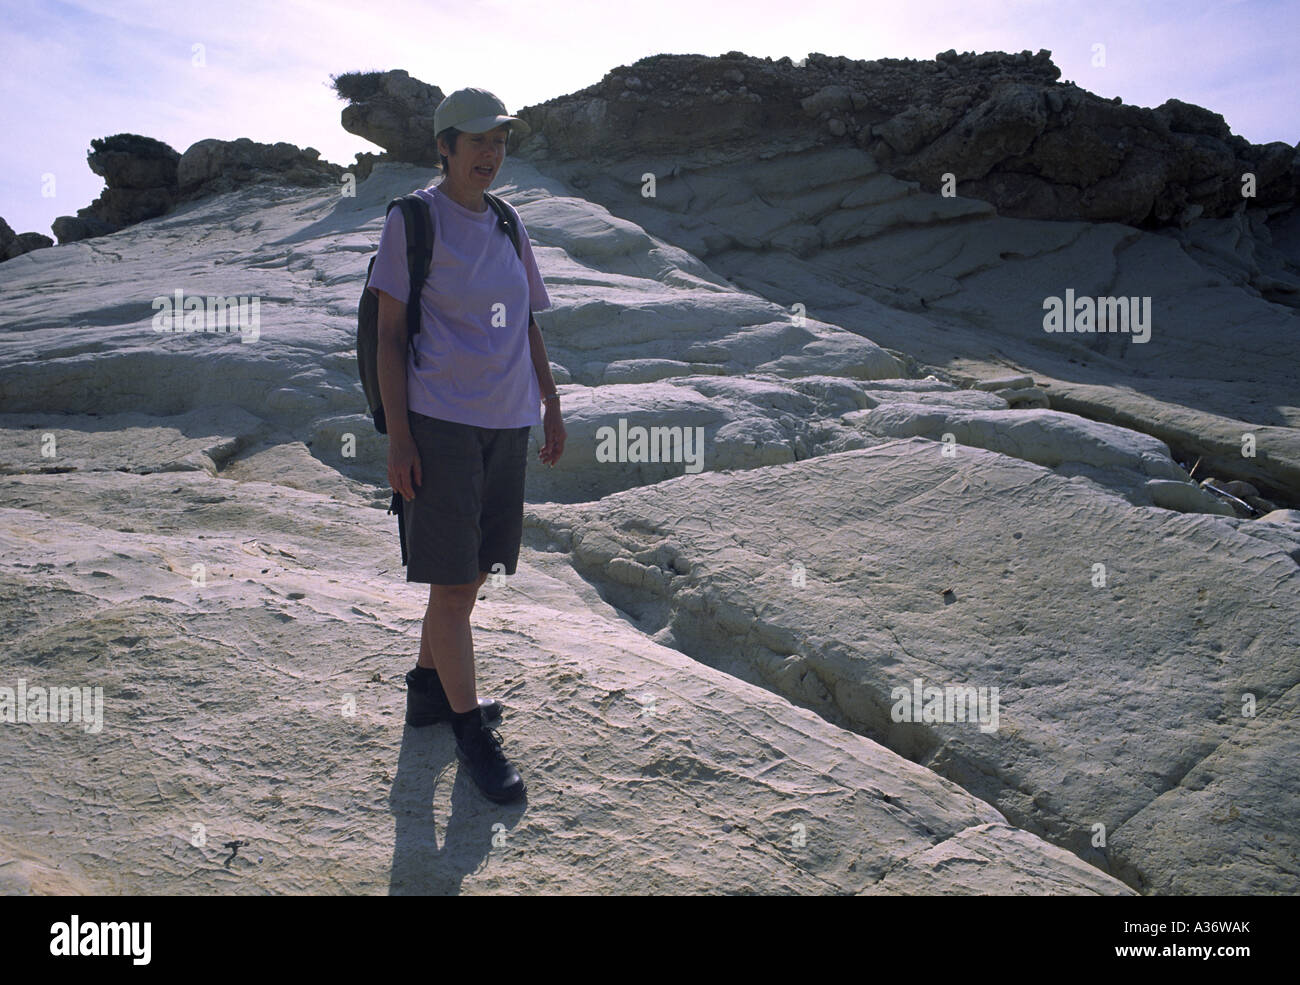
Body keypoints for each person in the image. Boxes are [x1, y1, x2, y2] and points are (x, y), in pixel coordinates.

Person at [367, 87, 565, 804]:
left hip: (507, 422)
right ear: (443, 146)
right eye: (476, 140)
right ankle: (468, 729)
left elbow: (529, 324)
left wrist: (550, 402)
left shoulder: (511, 223)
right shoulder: (415, 220)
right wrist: (399, 438)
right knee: (452, 584)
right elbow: (390, 337)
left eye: (501, 141)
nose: (490, 153)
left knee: (473, 571)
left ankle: (428, 690)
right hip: (442, 422)